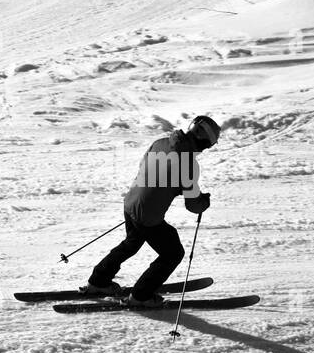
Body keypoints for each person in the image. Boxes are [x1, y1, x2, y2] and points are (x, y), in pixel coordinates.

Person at [83, 115, 221, 307]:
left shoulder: (160, 143)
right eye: (209, 144)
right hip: (147, 215)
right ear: (204, 142)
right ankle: (141, 296)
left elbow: (147, 167)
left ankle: (98, 282)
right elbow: (193, 205)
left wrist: (168, 186)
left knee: (132, 242)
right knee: (172, 253)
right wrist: (203, 202)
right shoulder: (188, 164)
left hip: (131, 203)